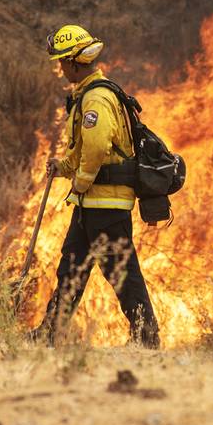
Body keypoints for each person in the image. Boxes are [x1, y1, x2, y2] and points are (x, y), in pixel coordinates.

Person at [41, 24, 160, 348]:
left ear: (75, 62)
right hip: (90, 203)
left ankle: (146, 337)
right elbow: (82, 149)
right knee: (72, 269)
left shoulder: (96, 98)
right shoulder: (88, 95)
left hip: (106, 203)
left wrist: (80, 182)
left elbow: (96, 147)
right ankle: (49, 334)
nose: (61, 68)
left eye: (62, 62)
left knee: (121, 272)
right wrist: (64, 168)